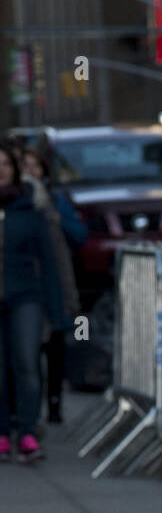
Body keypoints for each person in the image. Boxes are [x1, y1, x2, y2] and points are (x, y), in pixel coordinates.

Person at [0, 139, 64, 463]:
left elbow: (50, 263)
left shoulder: (30, 209)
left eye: (6, 165)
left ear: (15, 171)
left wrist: (58, 312)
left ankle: (27, 431)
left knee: (26, 363)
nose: (1, 171)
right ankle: (1, 432)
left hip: (27, 295)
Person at [21, 145, 87, 424]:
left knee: (56, 347)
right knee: (27, 351)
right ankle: (28, 409)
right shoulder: (14, 203)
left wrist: (59, 222)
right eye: (25, 166)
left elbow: (80, 235)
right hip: (26, 286)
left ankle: (55, 403)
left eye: (36, 166)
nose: (31, 172)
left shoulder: (56, 201)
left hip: (54, 284)